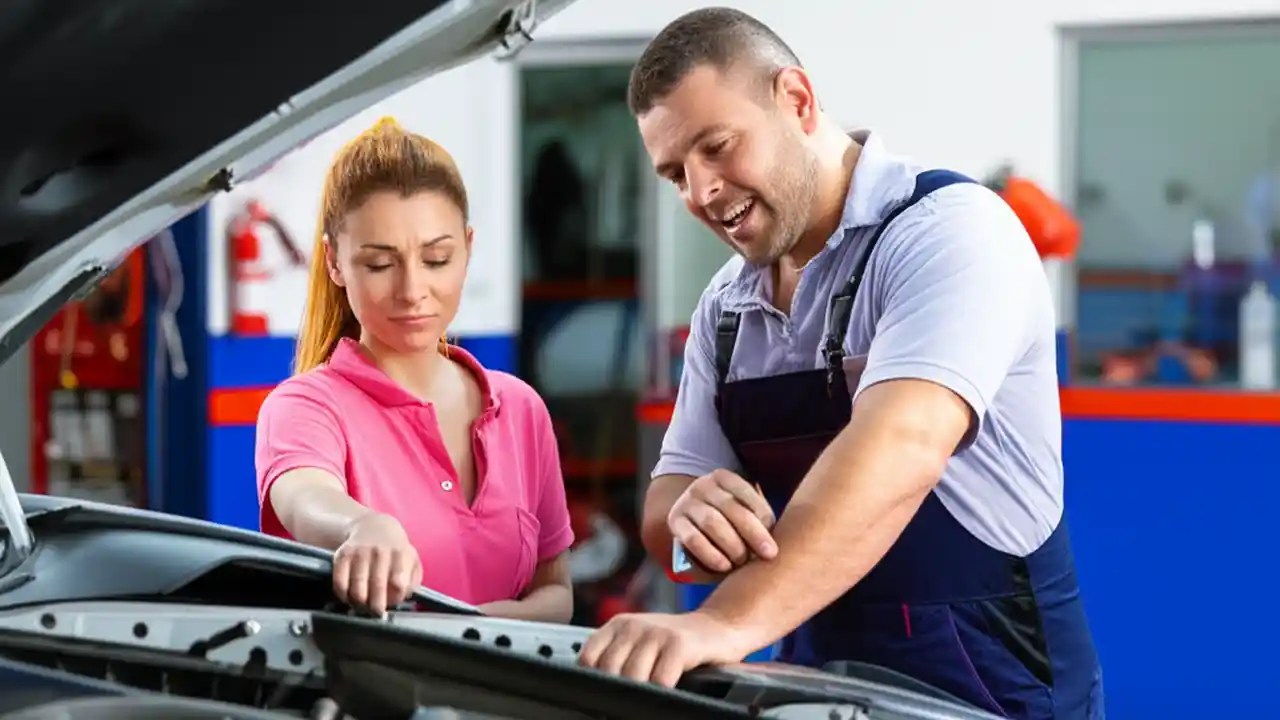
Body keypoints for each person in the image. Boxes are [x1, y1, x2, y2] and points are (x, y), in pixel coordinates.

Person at [577, 8, 1103, 720]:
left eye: (718, 147)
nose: (701, 192)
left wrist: (725, 622)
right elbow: (664, 506)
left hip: (992, 694)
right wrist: (687, 516)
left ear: (795, 99)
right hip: (819, 692)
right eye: (676, 173)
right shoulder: (726, 307)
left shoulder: (949, 233)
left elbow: (901, 449)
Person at [254, 117, 575, 621]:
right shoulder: (306, 406)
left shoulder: (520, 409)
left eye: (437, 258)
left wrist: (466, 636)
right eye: (380, 265)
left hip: (511, 699)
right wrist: (361, 526)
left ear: (467, 248)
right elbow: (304, 496)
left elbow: (556, 594)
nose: (411, 290)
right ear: (334, 262)